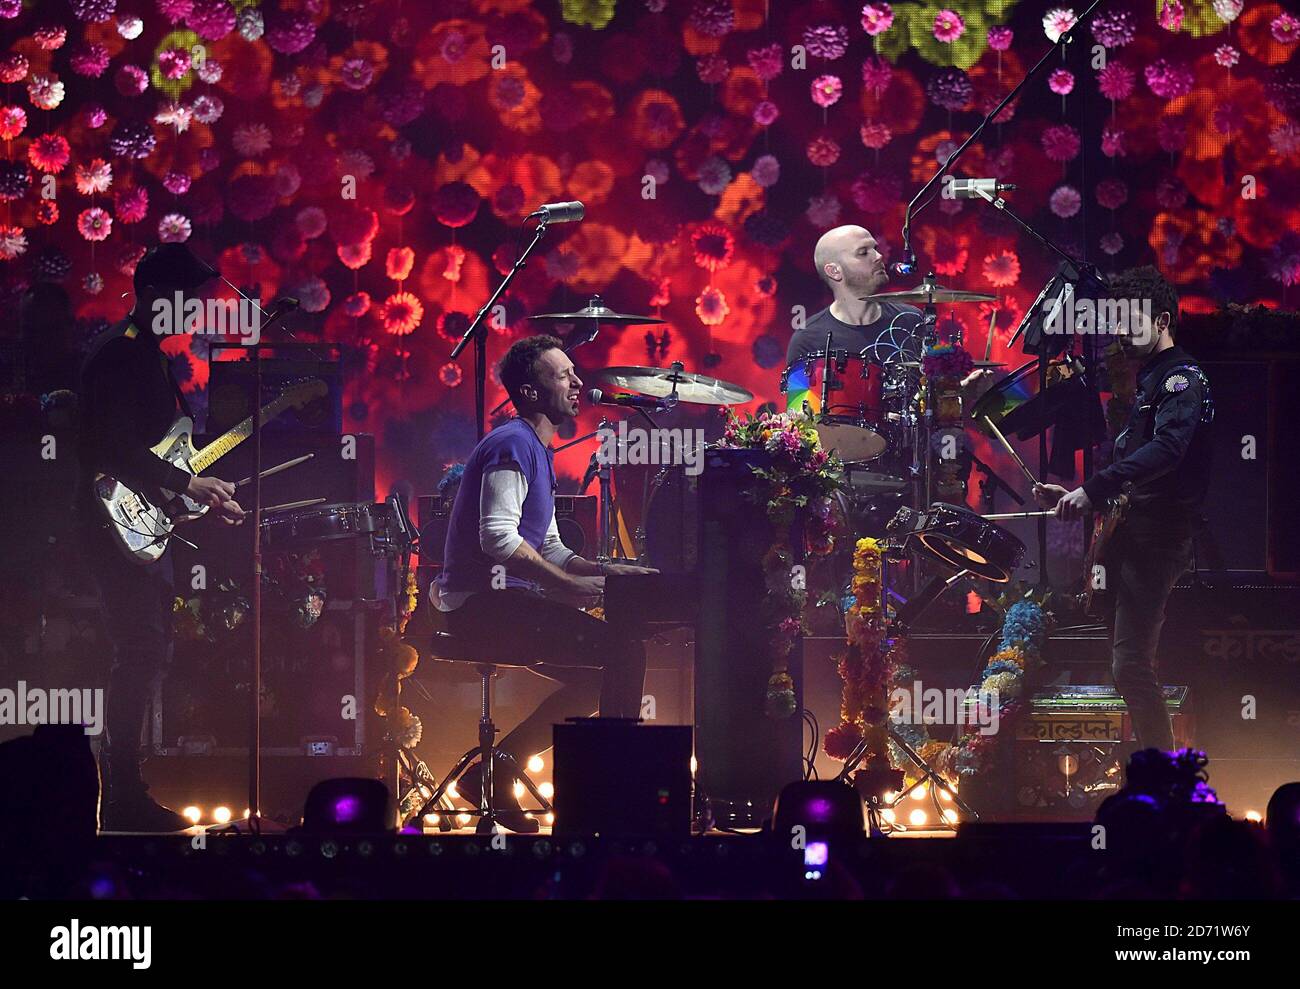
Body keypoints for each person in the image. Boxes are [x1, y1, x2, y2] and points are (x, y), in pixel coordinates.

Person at [427, 334, 656, 832]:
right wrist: (566, 586)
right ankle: (611, 792)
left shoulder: (535, 448)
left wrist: (605, 572)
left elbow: (549, 546)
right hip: (480, 607)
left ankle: (493, 770)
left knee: (602, 671)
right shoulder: (512, 443)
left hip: (504, 604)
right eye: (562, 375)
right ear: (530, 392)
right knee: (624, 652)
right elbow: (497, 538)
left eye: (575, 373)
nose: (578, 383)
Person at [76, 244, 246, 831]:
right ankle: (121, 797)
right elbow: (112, 448)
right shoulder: (121, 358)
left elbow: (146, 451)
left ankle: (125, 792)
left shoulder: (145, 356)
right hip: (114, 527)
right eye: (188, 301)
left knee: (147, 652)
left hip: (137, 525)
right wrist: (184, 484)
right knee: (140, 652)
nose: (196, 314)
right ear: (153, 298)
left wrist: (193, 489)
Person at [1034, 266, 1214, 751]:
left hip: (1158, 537)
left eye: (1130, 322)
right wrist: (1080, 495)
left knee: (1131, 665)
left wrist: (1093, 490)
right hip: (1134, 532)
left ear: (1161, 321)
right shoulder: (1154, 378)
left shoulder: (1181, 380)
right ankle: (1149, 770)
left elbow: (1167, 451)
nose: (1120, 333)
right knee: (1129, 665)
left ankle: (1164, 780)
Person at [785, 225, 922, 369]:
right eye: (863, 253)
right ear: (834, 271)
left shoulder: (912, 319)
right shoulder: (808, 340)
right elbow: (800, 391)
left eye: (875, 249)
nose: (878, 256)